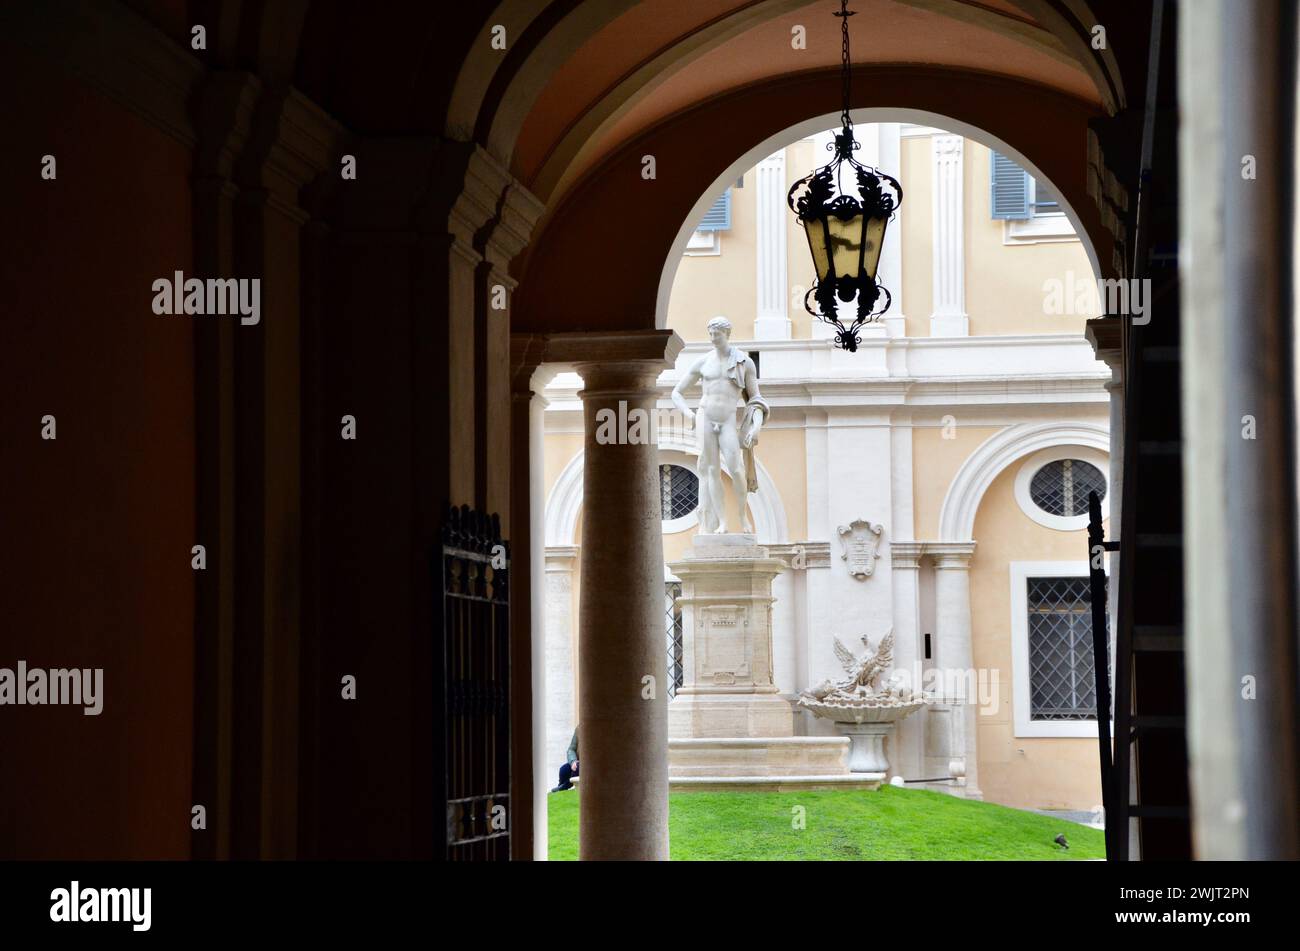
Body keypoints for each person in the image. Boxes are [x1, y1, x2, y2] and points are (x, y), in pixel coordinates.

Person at [670, 316, 769, 534]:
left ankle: (743, 518)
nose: (714, 338)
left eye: (718, 334)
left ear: (727, 334)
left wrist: (756, 427)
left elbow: (756, 400)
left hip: (727, 420)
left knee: (736, 469)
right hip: (705, 417)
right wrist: (690, 415)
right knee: (711, 470)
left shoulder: (744, 362)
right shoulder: (703, 362)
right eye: (711, 334)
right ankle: (722, 522)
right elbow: (676, 393)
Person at [551, 727, 579, 792]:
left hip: (587, 764)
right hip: (576, 762)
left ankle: (563, 787)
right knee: (564, 769)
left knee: (578, 768)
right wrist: (573, 761)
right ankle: (560, 787)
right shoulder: (579, 729)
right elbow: (571, 749)